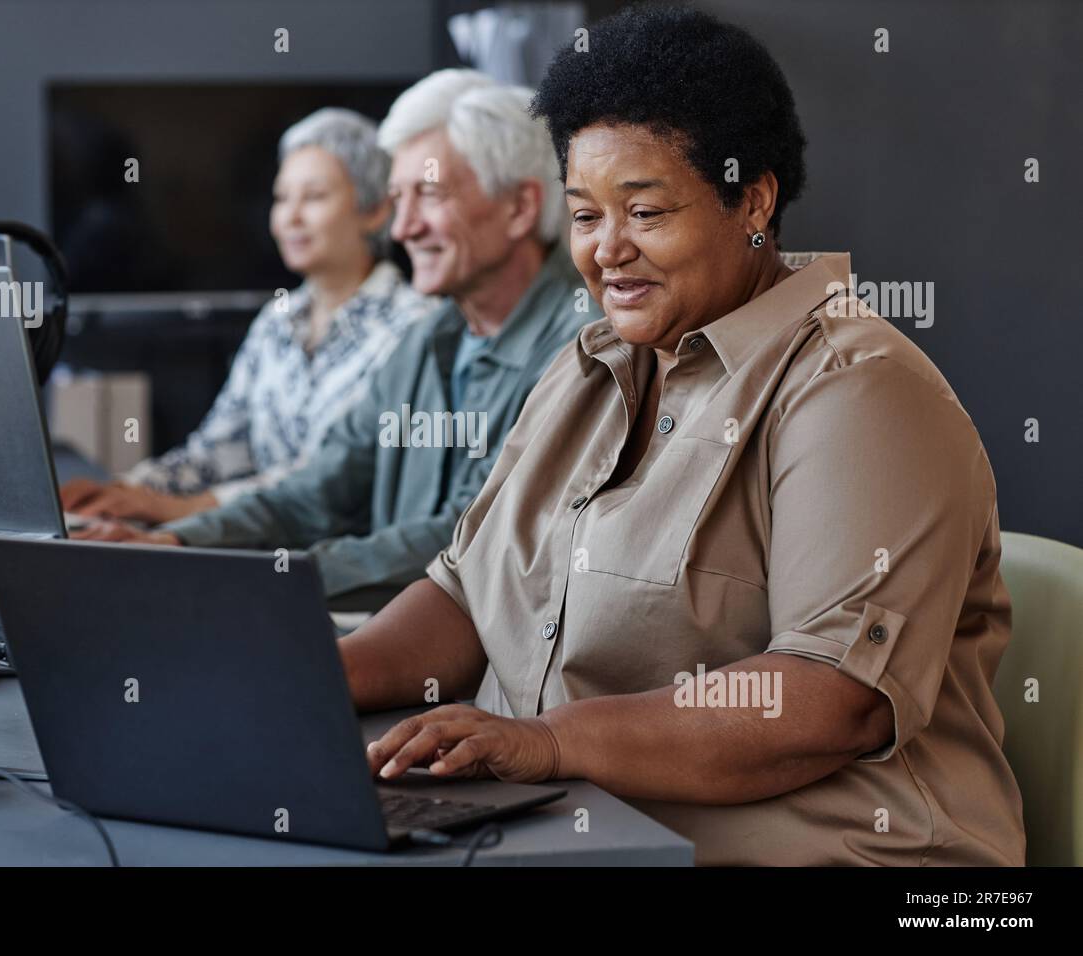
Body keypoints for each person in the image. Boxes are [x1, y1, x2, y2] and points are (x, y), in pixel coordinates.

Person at [345, 5, 1025, 866]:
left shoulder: (855, 389)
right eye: (586, 216)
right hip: (577, 833)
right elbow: (465, 596)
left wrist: (550, 743)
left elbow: (829, 699)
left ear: (754, 200)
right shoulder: (589, 368)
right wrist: (318, 678)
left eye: (647, 212)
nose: (607, 251)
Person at [76, 70, 590, 601]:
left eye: (429, 195)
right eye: (398, 197)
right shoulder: (433, 335)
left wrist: (258, 577)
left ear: (520, 207)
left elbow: (463, 535)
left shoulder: (579, 345)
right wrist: (179, 541)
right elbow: (321, 487)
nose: (402, 228)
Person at [61, 108, 437, 524]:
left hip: (339, 568)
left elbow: (330, 485)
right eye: (281, 198)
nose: (290, 218)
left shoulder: (415, 326)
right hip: (244, 541)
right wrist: (128, 489)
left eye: (313, 197)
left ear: (375, 210)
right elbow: (221, 448)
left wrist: (182, 509)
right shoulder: (277, 319)